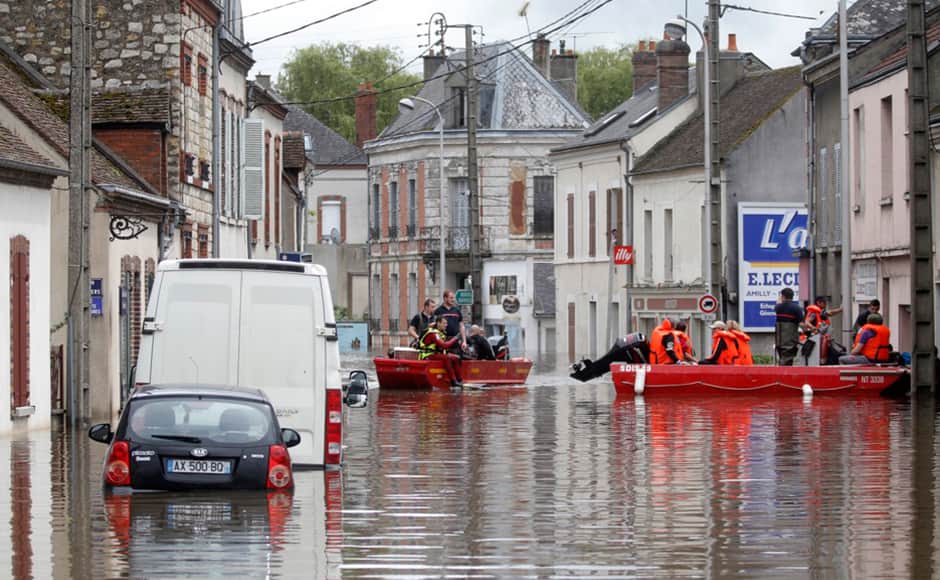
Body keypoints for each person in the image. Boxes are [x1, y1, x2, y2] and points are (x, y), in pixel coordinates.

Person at [418, 316, 463, 387]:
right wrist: (455, 338)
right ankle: (453, 381)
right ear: (438, 323)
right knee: (446, 358)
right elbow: (444, 345)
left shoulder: (440, 332)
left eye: (446, 323)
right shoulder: (433, 334)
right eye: (444, 323)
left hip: (435, 354)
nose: (446, 325)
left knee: (456, 358)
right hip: (427, 355)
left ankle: (460, 380)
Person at [774, 287, 803, 366]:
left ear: (783, 296)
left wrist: (780, 299)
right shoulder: (796, 308)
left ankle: (781, 375)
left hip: (779, 340)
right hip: (790, 341)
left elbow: (778, 304)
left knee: (783, 359)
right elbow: (801, 324)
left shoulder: (778, 308)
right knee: (787, 361)